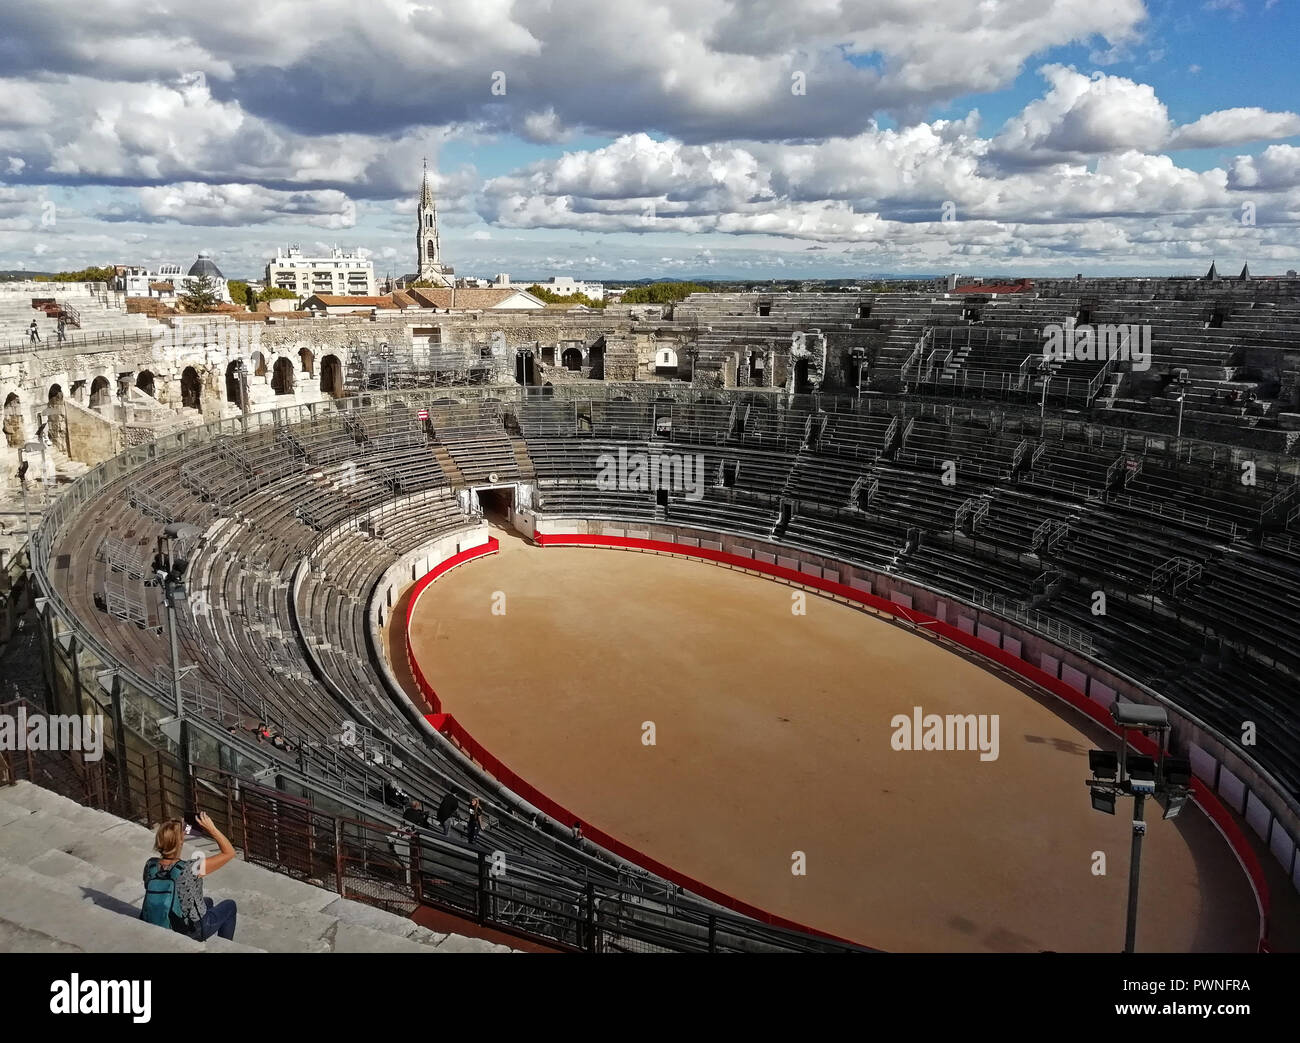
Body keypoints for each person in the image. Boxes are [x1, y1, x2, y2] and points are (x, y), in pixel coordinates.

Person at [140, 813, 238, 942]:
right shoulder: (191, 868)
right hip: (192, 930)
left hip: (169, 921)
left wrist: (176, 832)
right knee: (230, 906)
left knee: (208, 901)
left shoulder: (150, 865)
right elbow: (229, 852)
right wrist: (211, 829)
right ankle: (227, 947)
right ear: (181, 841)